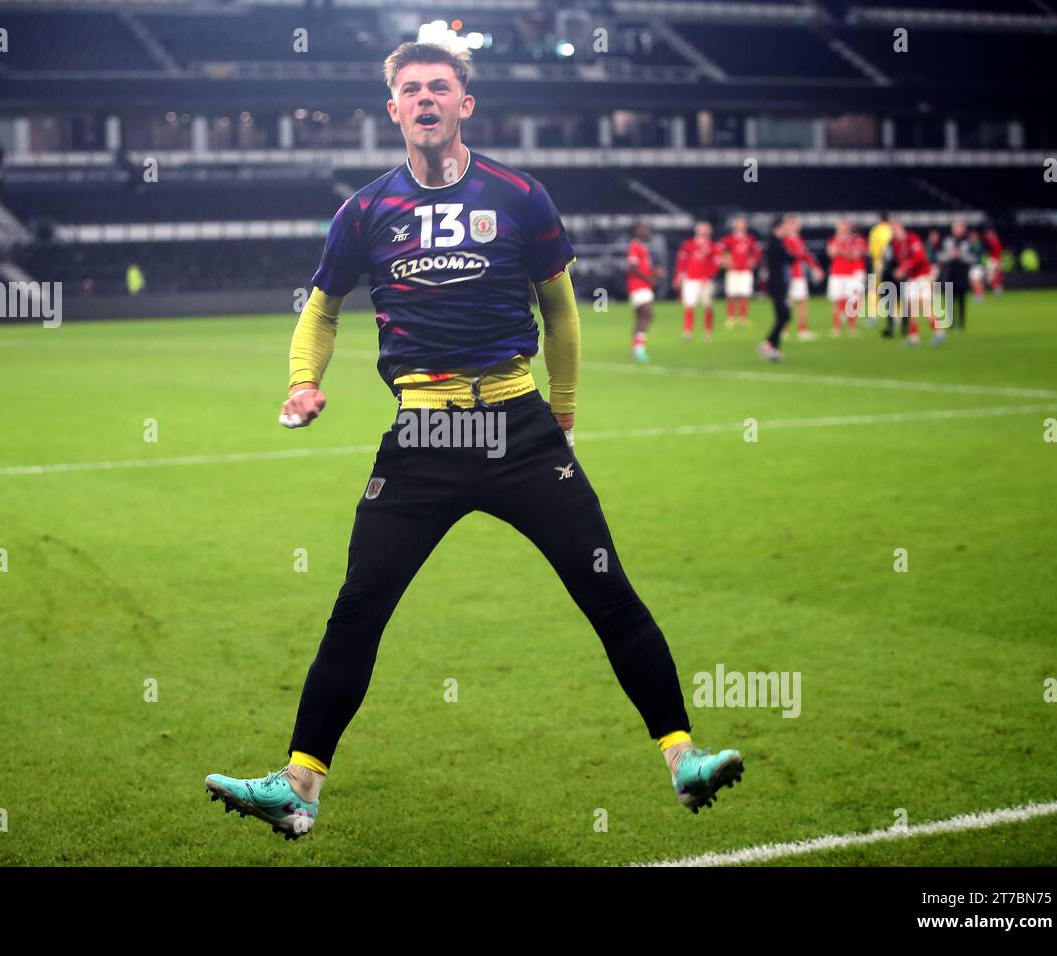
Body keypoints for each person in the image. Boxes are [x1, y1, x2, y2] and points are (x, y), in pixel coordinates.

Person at [204, 41, 743, 840]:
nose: (425, 98)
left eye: (440, 87)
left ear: (465, 105)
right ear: (393, 110)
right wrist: (301, 382)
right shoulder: (363, 211)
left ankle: (683, 760)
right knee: (358, 609)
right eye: (410, 89)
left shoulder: (521, 195)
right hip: (422, 436)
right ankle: (298, 786)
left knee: (608, 592)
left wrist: (561, 412)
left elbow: (561, 310)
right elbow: (322, 308)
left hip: (519, 428)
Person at [891, 218, 943, 346]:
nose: (893, 232)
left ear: (900, 228)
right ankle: (914, 337)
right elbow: (902, 261)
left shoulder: (912, 239)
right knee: (911, 307)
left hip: (923, 276)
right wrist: (902, 270)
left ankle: (939, 333)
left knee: (923, 304)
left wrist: (904, 268)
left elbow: (920, 257)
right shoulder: (896, 245)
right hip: (912, 278)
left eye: (894, 229)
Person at [672, 221, 723, 341]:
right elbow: (681, 262)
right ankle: (687, 331)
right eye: (701, 229)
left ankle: (708, 331)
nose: (703, 231)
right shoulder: (688, 244)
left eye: (706, 229)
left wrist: (709, 275)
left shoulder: (713, 246)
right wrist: (679, 276)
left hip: (706, 280)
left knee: (707, 305)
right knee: (689, 305)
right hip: (691, 279)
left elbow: (716, 263)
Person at [759, 214, 798, 362]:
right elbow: (789, 258)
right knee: (783, 315)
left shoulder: (778, 242)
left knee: (783, 316)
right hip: (777, 284)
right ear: (780, 227)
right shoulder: (774, 243)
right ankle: (769, 345)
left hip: (781, 283)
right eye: (787, 225)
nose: (789, 228)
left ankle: (771, 346)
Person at [626, 222, 665, 361]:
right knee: (647, 314)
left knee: (640, 317)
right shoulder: (635, 246)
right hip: (638, 286)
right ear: (637, 231)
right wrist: (649, 278)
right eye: (644, 229)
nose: (647, 232)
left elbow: (643, 267)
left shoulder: (643, 247)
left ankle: (636, 349)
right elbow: (632, 268)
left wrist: (654, 272)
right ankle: (639, 350)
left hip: (641, 286)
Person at [784, 216, 824, 342]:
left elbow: (806, 255)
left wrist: (816, 268)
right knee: (789, 303)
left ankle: (801, 329)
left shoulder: (798, 239)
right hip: (790, 276)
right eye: (793, 223)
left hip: (798, 275)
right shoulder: (786, 240)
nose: (796, 226)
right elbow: (797, 255)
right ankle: (785, 330)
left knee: (802, 302)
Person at [826, 219, 867, 336]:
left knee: (852, 301)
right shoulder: (833, 240)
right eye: (840, 227)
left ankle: (852, 326)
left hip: (850, 274)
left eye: (844, 227)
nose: (842, 229)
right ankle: (836, 327)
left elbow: (855, 256)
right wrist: (843, 250)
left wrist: (841, 252)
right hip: (836, 274)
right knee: (836, 301)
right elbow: (832, 254)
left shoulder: (854, 240)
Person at [721, 216, 759, 330]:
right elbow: (720, 250)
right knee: (731, 293)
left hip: (745, 270)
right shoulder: (729, 239)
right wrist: (726, 260)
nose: (740, 226)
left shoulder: (750, 239)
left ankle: (743, 317)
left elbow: (757, 251)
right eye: (738, 223)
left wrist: (753, 261)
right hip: (732, 270)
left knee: (745, 293)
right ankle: (731, 317)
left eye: (742, 224)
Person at [939, 221, 976, 331]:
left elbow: (973, 258)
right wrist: (950, 256)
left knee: (961, 299)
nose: (958, 230)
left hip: (962, 274)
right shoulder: (947, 241)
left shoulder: (968, 242)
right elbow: (940, 256)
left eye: (960, 228)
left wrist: (961, 256)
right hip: (949, 273)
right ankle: (950, 322)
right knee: (949, 300)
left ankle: (961, 323)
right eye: (956, 228)